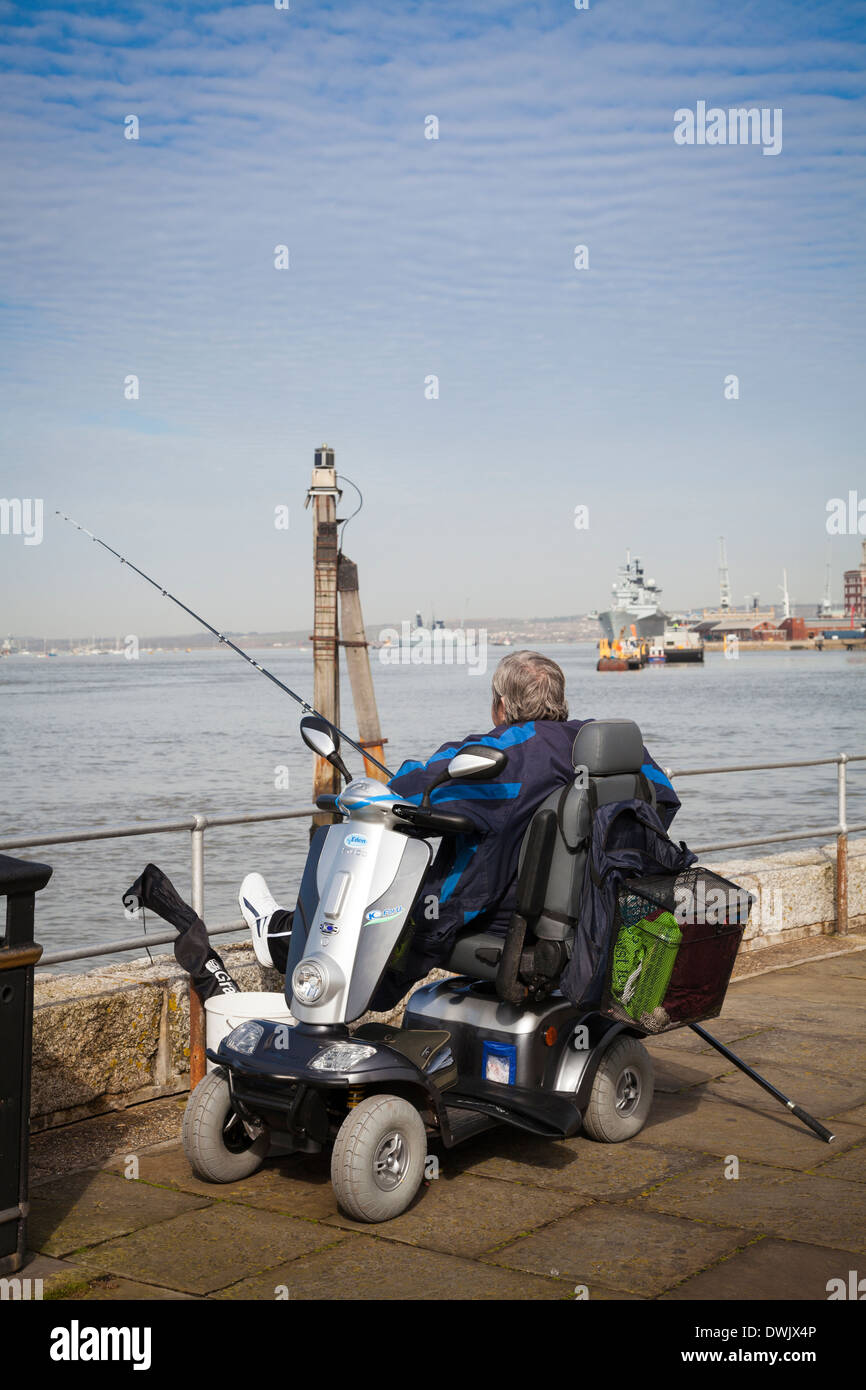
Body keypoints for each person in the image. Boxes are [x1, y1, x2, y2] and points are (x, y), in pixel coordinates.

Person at [239, 650, 680, 1005]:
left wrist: (371, 791)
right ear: (561, 699)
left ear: (501, 704)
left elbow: (410, 793)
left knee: (388, 916)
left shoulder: (507, 752)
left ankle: (288, 949)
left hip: (501, 917)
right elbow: (664, 802)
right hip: (592, 916)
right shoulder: (612, 751)